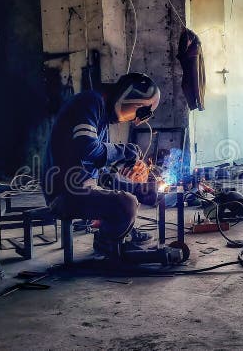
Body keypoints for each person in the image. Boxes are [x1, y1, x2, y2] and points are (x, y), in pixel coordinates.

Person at [42, 73, 161, 251]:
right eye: (136, 112)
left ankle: (121, 233)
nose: (131, 119)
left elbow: (101, 174)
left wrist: (136, 187)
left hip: (80, 188)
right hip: (63, 194)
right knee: (126, 204)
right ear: (131, 99)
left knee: (132, 195)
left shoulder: (102, 118)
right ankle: (107, 243)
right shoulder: (90, 102)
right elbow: (88, 149)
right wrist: (124, 151)